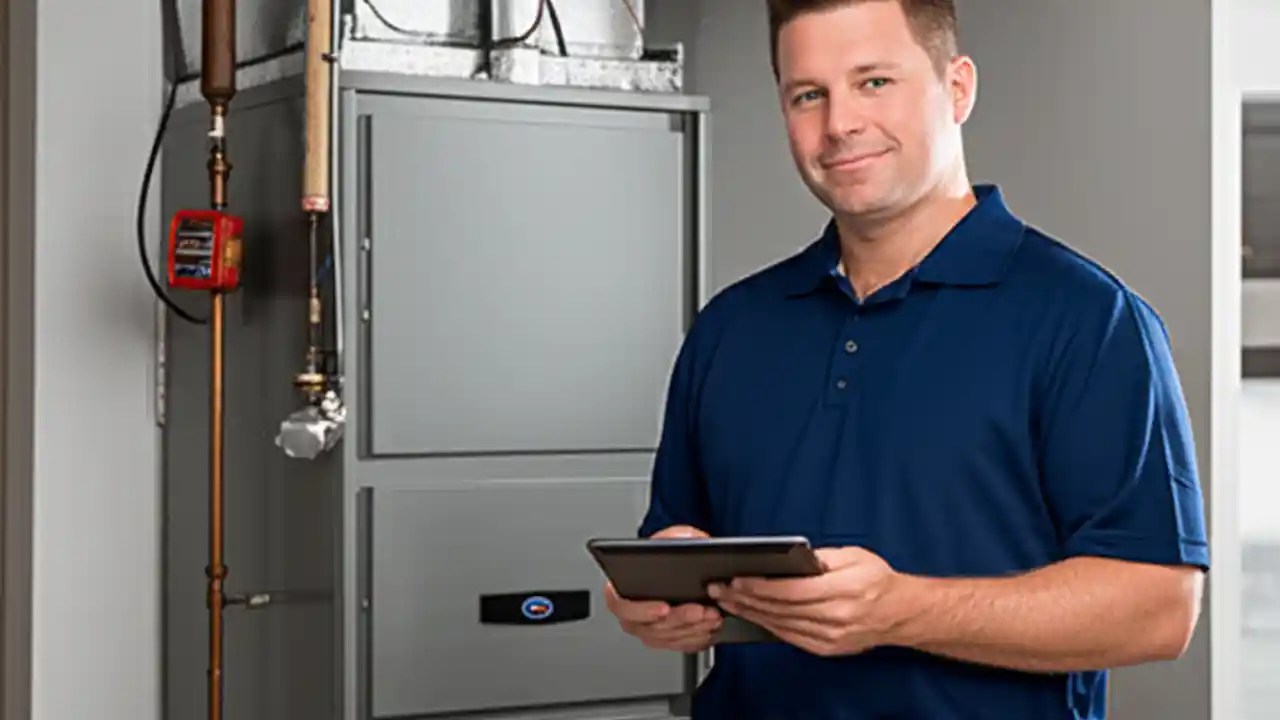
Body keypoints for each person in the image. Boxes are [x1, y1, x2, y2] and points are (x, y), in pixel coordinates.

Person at [602, 0, 1210, 718]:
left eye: (874, 82)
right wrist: (661, 598)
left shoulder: (1091, 321)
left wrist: (901, 610)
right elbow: (677, 541)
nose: (839, 124)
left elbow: (1158, 608)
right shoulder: (730, 327)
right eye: (808, 95)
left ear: (958, 88)